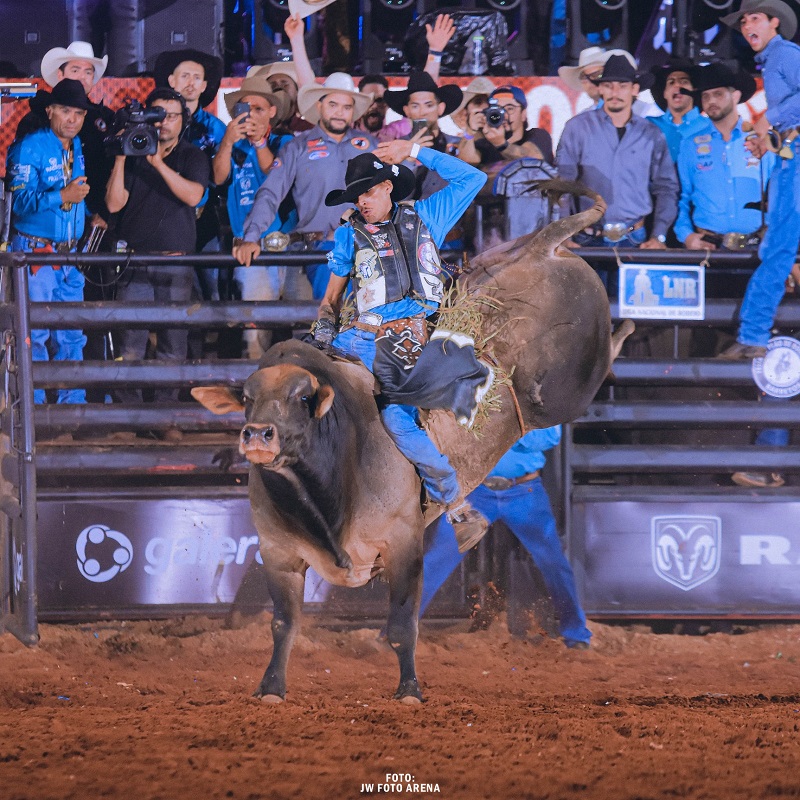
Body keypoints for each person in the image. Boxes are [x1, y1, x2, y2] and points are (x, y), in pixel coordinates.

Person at [318, 140, 491, 552]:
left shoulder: (427, 215)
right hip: (357, 335)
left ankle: (456, 504)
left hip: (407, 339)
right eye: (357, 194)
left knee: (397, 420)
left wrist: (415, 149)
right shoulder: (348, 235)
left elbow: (474, 178)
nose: (363, 200)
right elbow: (331, 298)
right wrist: (323, 329)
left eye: (370, 190)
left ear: (389, 187)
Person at [419, 427, 592, 650]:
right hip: (476, 492)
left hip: (523, 491)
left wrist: (502, 431)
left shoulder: (534, 393)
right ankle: (396, 631)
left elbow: (550, 437)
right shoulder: (475, 392)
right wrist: (515, 432)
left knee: (555, 564)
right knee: (435, 560)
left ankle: (577, 636)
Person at [105, 88, 209, 403]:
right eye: (157, 115)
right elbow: (113, 204)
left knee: (173, 344)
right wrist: (122, 155)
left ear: (183, 121)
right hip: (134, 261)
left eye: (171, 116)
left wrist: (159, 163)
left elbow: (193, 195)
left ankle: (166, 415)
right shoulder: (131, 155)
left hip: (175, 262)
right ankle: (129, 413)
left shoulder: (192, 155)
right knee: (130, 344)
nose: (163, 123)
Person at [233, 72, 376, 299]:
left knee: (369, 322)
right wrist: (251, 237)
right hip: (320, 250)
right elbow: (271, 192)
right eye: (333, 104)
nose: (340, 112)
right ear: (319, 106)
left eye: (346, 107)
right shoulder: (298, 147)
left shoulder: (370, 145)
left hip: (369, 246)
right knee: (329, 320)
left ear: (353, 111)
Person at [717, 0, 800, 360]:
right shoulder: (776, 60)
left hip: (795, 161)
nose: (747, 25)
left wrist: (771, 122)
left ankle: (753, 335)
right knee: (776, 247)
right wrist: (769, 138)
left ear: (774, 23)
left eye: (755, 18)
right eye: (744, 21)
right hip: (789, 157)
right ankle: (753, 334)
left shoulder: (785, 55)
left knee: (778, 247)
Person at [7, 79, 90, 405]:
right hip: (35, 253)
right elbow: (17, 203)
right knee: (36, 332)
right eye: (66, 111)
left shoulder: (76, 143)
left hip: (69, 254)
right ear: (50, 110)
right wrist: (63, 196)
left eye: (79, 113)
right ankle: (35, 409)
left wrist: (87, 210)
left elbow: (74, 191)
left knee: (72, 333)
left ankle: (74, 405)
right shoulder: (30, 146)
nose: (73, 119)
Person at [556, 54, 679, 252]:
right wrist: (562, 235)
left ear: (635, 89)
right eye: (609, 85)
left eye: (622, 85)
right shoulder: (577, 128)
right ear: (601, 88)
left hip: (635, 238)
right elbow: (562, 184)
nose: (615, 92)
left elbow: (666, 188)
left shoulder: (651, 133)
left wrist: (659, 235)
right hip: (586, 237)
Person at [213, 75, 294, 359]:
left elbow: (278, 175)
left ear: (273, 111)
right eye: (245, 108)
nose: (252, 115)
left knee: (305, 325)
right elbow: (218, 177)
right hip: (250, 248)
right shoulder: (232, 143)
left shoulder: (285, 140)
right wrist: (226, 142)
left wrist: (260, 142)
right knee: (255, 332)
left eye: (259, 108)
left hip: (288, 244)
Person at [675, 62, 769, 252]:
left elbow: (778, 194)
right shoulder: (689, 145)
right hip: (707, 246)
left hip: (757, 246)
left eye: (718, 94)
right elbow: (680, 198)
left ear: (735, 96)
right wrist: (686, 235)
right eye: (705, 96)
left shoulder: (760, 142)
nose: (711, 101)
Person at [385, 71, 463, 200]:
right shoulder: (395, 148)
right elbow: (391, 193)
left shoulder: (457, 144)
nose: (422, 112)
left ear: (440, 108)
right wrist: (409, 157)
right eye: (415, 106)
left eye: (429, 105)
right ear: (407, 110)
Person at [457, 84, 554, 169]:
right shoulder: (485, 143)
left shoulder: (538, 135)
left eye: (510, 108)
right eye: (498, 109)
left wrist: (501, 144)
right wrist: (470, 131)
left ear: (523, 114)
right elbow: (465, 164)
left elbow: (533, 159)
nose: (504, 115)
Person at [648, 58, 709, 163]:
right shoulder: (648, 126)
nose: (677, 86)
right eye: (671, 82)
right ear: (665, 93)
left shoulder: (711, 127)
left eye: (684, 81)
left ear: (693, 91)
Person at [354, 75, 411, 142]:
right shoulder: (346, 130)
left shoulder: (400, 132)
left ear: (387, 103)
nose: (374, 106)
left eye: (379, 100)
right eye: (368, 99)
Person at [558, 46, 608, 112]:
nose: (590, 81)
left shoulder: (625, 113)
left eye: (596, 75)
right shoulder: (582, 120)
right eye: (584, 77)